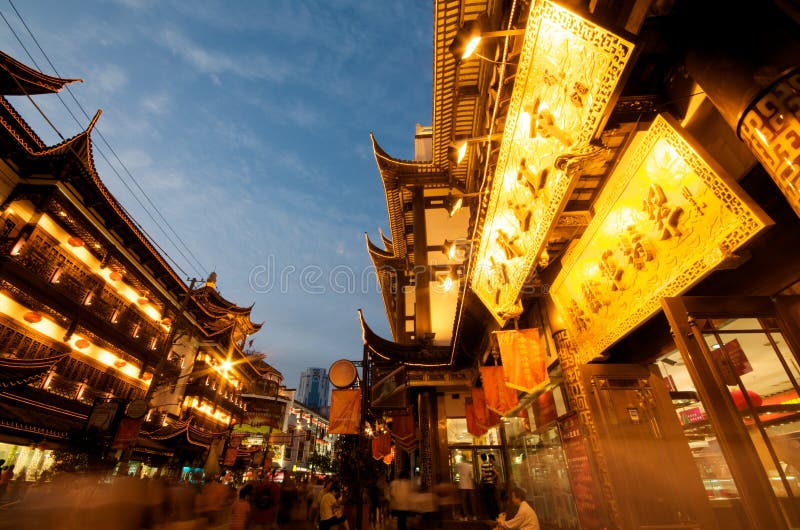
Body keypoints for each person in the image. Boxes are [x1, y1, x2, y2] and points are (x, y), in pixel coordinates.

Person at [455, 456, 476, 520]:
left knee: (463, 501)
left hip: (462, 485)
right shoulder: (470, 466)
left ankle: (465, 516)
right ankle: (474, 516)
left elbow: (456, 471)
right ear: (466, 459)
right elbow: (472, 476)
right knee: (471, 501)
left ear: (461, 459)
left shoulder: (459, 465)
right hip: (470, 486)